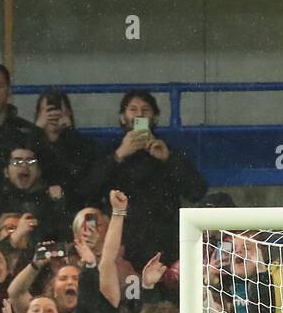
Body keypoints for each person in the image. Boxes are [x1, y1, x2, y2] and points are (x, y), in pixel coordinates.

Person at [78, 90, 207, 266]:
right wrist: (118, 156)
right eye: (133, 109)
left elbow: (197, 191)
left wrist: (168, 159)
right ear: (123, 117)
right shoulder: (109, 151)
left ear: (155, 118)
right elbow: (87, 191)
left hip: (164, 247)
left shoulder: (168, 151)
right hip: (121, 247)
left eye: (145, 110)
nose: (139, 114)